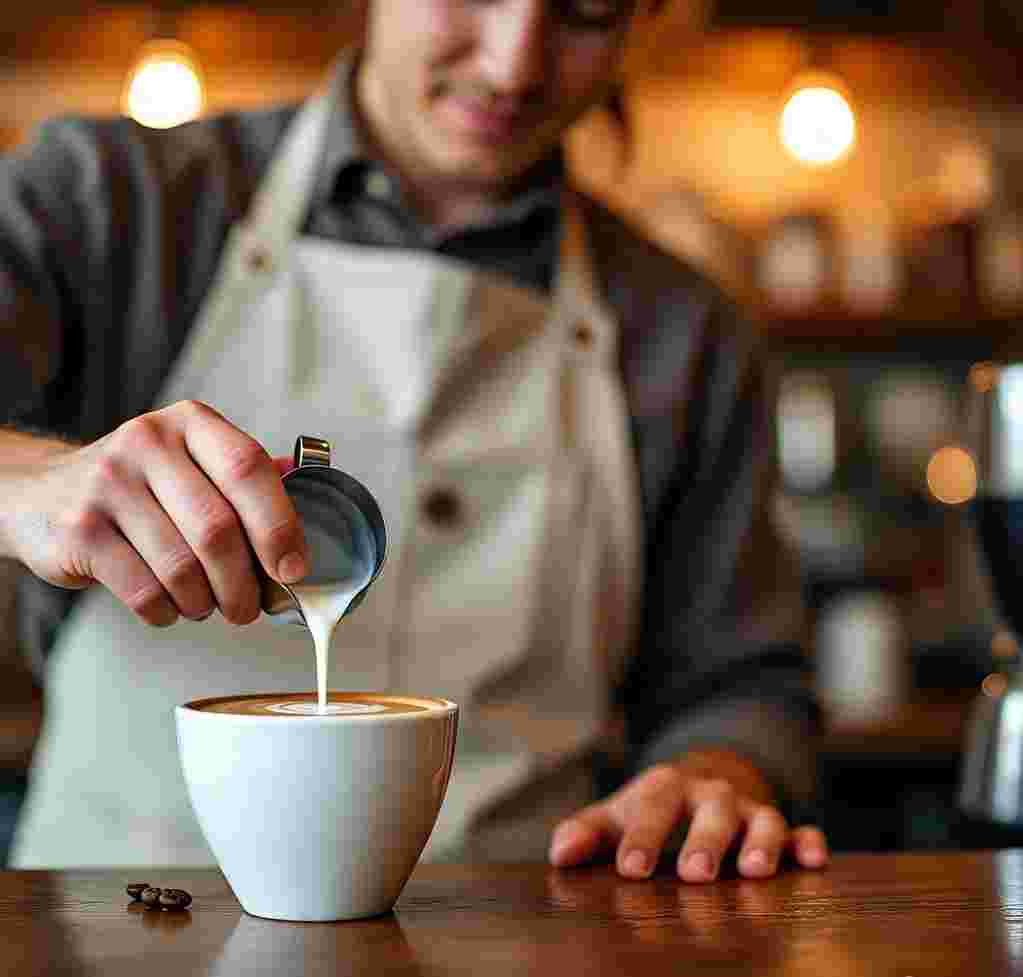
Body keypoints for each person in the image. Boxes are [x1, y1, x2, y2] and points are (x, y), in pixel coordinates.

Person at [0, 0, 829, 879]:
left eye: (585, 13)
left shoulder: (686, 335)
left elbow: (738, 683)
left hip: (519, 916)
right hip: (114, 906)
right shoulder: (109, 200)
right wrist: (28, 481)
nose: (513, 65)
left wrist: (713, 777)